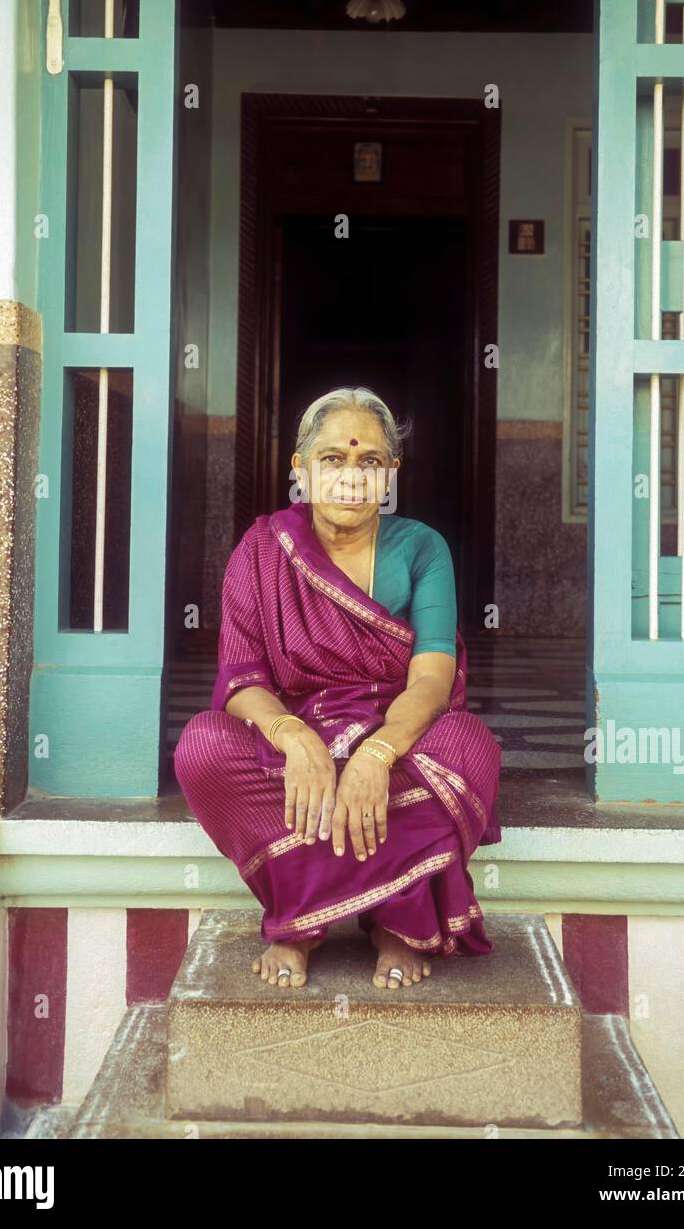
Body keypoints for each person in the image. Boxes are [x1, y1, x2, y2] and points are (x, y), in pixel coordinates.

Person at [174, 386, 502, 991]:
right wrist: (294, 737)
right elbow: (242, 680)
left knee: (470, 748)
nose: (352, 475)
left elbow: (433, 677)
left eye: (369, 460)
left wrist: (377, 754)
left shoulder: (422, 548)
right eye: (332, 458)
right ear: (299, 469)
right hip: (300, 741)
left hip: (397, 734)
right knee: (203, 748)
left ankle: (397, 921)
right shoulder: (262, 550)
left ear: (391, 473)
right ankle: (302, 919)